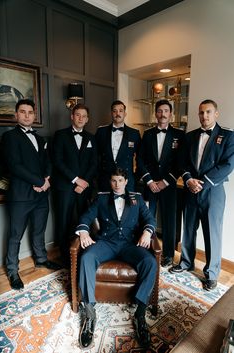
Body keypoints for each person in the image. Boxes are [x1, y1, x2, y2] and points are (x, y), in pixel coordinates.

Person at [76, 168, 156, 348]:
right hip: (107, 243)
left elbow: (149, 218)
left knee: (150, 262)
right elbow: (86, 216)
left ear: (126, 181)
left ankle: (140, 315)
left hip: (129, 244)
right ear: (110, 182)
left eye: (120, 180)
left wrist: (147, 232)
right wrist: (83, 232)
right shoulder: (102, 197)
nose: (117, 185)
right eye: (114, 181)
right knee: (87, 257)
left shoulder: (137, 198)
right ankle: (90, 314)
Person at [169, 99, 234, 290]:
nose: (204, 116)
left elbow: (227, 165)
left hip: (212, 192)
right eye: (201, 113)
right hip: (190, 189)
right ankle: (186, 262)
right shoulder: (189, 137)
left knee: (212, 232)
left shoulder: (228, 136)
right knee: (188, 228)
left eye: (208, 112)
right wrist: (188, 179)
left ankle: (212, 273)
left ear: (216, 114)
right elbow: (182, 163)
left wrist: (203, 183)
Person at [2, 99, 61, 290]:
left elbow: (48, 163)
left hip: (41, 195)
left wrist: (47, 181)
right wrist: (39, 182)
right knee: (15, 235)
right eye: (23, 112)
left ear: (34, 115)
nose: (27, 115)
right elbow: (15, 166)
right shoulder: (10, 137)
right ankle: (12, 269)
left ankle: (41, 259)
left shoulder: (41, 138)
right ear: (16, 115)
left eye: (30, 112)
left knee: (39, 230)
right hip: (21, 195)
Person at [138, 99, 185, 267]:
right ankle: (148, 250)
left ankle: (168, 256)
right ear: (155, 113)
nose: (163, 114)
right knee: (147, 217)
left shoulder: (179, 135)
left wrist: (165, 181)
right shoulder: (147, 134)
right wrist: (149, 180)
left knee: (169, 220)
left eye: (166, 111)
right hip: (150, 185)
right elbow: (141, 159)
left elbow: (181, 162)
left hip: (168, 185)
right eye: (159, 111)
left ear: (170, 114)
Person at [52, 103, 97, 262]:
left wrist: (83, 183)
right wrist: (76, 180)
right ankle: (65, 257)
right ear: (72, 116)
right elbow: (58, 161)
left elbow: (94, 163)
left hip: (84, 188)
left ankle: (84, 254)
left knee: (84, 220)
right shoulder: (60, 135)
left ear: (87, 119)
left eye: (84, 116)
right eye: (77, 115)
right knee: (63, 221)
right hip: (65, 187)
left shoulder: (91, 137)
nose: (81, 118)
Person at [95, 100, 141, 191]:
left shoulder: (134, 133)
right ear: (111, 113)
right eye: (115, 111)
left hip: (127, 181)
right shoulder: (101, 132)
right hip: (105, 180)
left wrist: (136, 177)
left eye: (121, 111)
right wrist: (97, 175)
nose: (118, 113)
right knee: (105, 205)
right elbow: (94, 155)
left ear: (125, 113)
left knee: (127, 205)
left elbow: (141, 157)